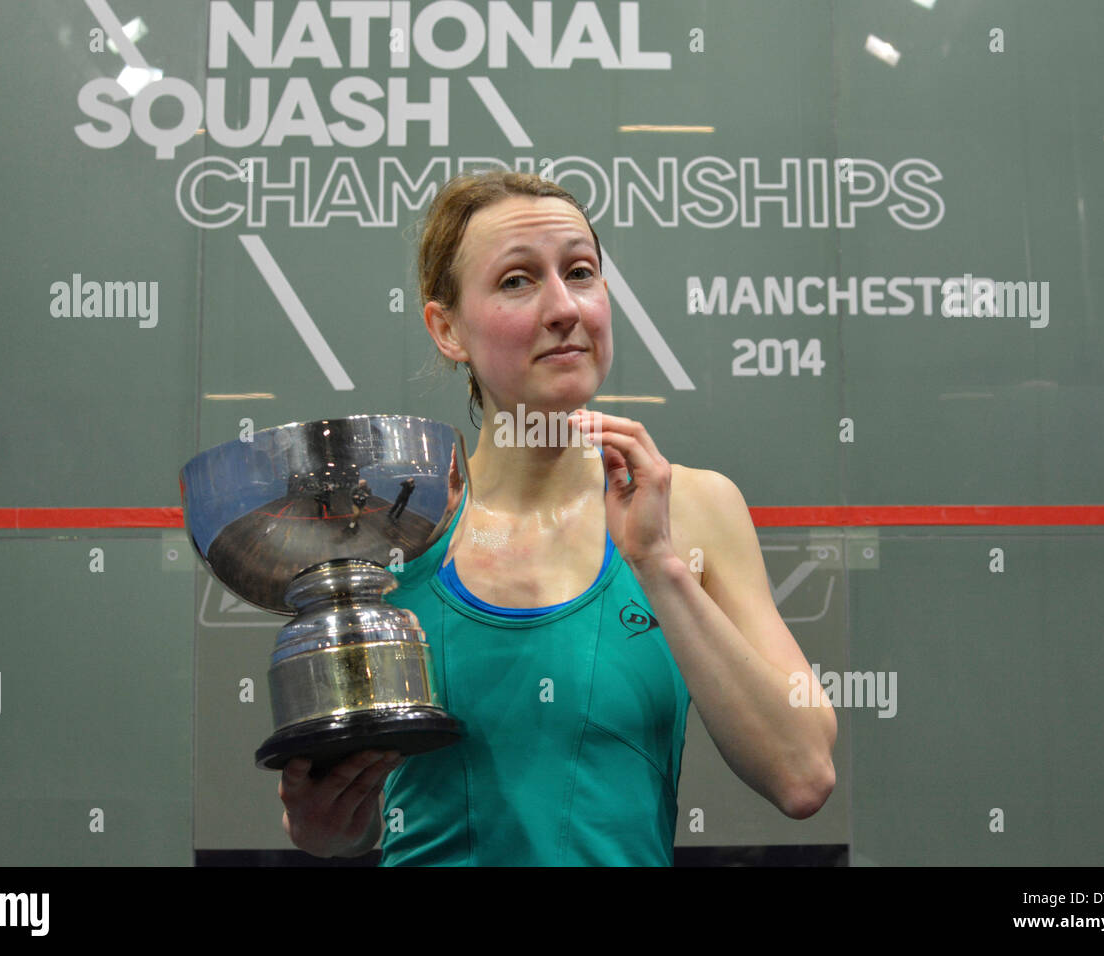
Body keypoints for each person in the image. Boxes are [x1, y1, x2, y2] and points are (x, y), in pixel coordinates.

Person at [278, 170, 837, 865]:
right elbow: (351, 817)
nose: (564, 306)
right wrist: (330, 826)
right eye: (517, 280)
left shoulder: (695, 508)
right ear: (446, 328)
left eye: (580, 272)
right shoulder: (396, 533)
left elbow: (802, 772)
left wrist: (660, 566)